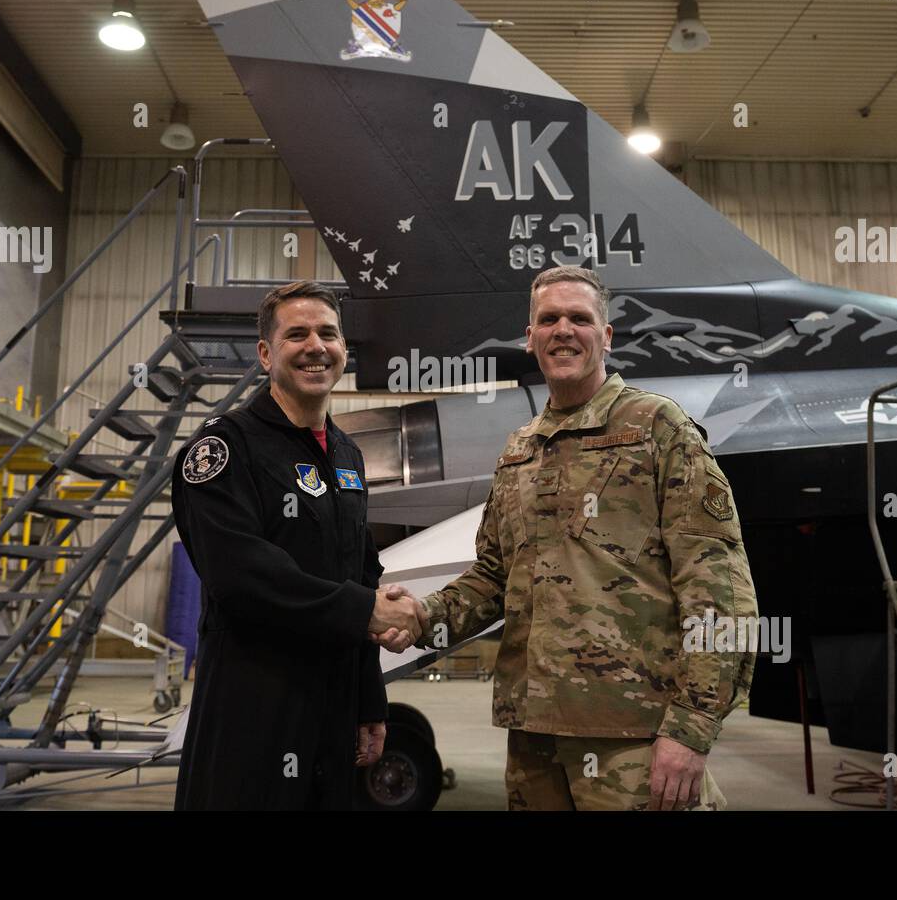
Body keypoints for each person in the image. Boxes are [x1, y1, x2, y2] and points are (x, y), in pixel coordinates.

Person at [377, 268, 757, 810]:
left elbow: (717, 589)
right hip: (534, 736)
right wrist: (422, 617)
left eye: (580, 318)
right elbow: (492, 578)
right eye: (548, 319)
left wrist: (693, 726)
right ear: (529, 338)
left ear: (606, 336)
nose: (563, 330)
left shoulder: (656, 429)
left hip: (635, 735)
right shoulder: (520, 451)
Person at [172, 280, 423, 810]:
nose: (316, 346)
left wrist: (369, 698)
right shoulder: (223, 448)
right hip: (254, 704)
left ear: (344, 350)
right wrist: (367, 611)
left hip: (333, 706)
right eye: (298, 334)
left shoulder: (349, 456)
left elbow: (360, 570)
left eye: (328, 333)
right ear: (266, 353)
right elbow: (242, 575)